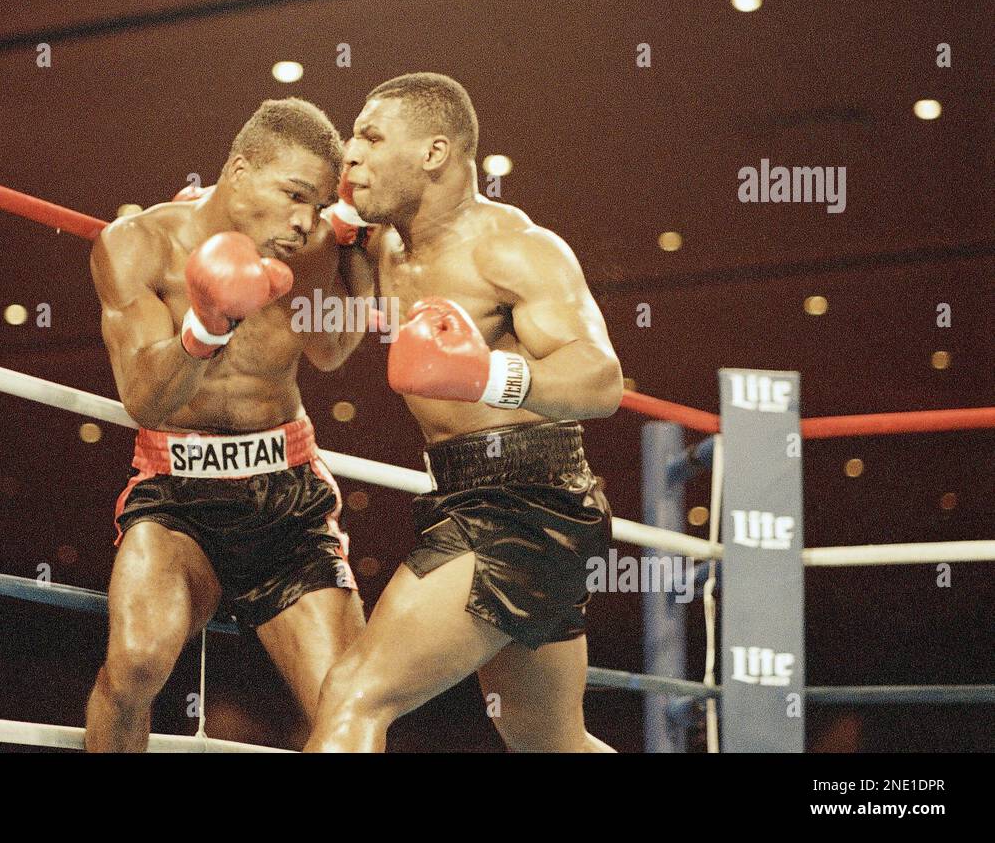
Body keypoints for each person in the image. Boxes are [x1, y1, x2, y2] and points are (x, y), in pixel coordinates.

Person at [307, 73, 623, 752]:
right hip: (463, 493)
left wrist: (488, 373)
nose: (350, 153)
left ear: (434, 152)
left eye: (370, 135)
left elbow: (601, 381)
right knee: (546, 738)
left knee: (355, 694)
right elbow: (323, 339)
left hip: (528, 502)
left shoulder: (511, 248)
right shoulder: (380, 245)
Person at [85, 98, 372, 751]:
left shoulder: (314, 245)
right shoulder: (137, 246)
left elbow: (329, 348)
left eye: (319, 205)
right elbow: (144, 398)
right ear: (239, 171)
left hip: (287, 496)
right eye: (294, 195)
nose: (305, 221)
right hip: (177, 491)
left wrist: (360, 256)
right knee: (134, 662)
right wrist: (204, 328)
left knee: (350, 703)